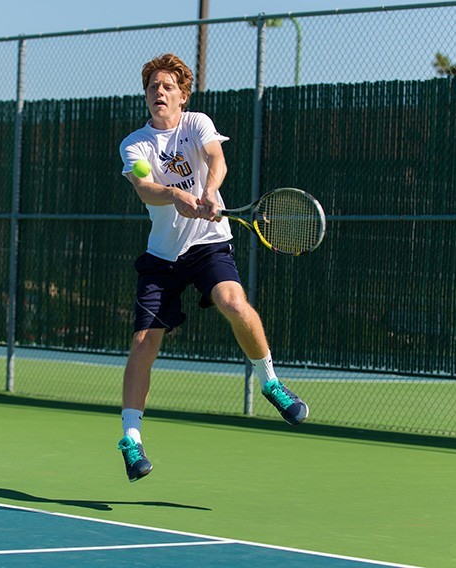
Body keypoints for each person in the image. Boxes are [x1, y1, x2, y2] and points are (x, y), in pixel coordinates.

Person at [117, 53, 309, 483]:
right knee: (144, 340)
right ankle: (131, 439)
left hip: (208, 245)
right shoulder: (136, 143)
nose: (159, 93)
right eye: (153, 87)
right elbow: (146, 189)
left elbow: (215, 160)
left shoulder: (198, 123)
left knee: (233, 302)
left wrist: (207, 190)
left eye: (168, 87)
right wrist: (177, 197)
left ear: (183, 96)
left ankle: (270, 382)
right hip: (162, 257)